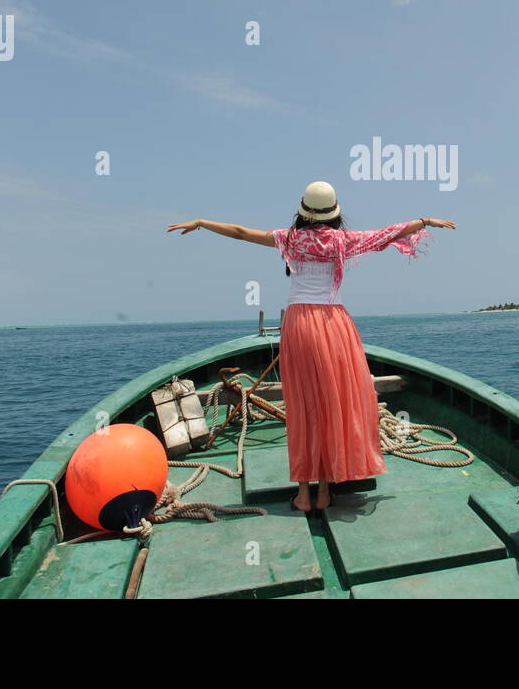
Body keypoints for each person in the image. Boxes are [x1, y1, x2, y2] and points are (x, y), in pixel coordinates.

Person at [166, 181, 455, 514]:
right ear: (334, 212)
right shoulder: (344, 241)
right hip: (334, 326)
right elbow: (390, 232)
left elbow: (240, 232)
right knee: (336, 401)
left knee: (303, 407)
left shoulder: (289, 239)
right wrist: (424, 221)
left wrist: (202, 222)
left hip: (299, 325)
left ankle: (303, 494)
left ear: (303, 210)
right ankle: (324, 490)